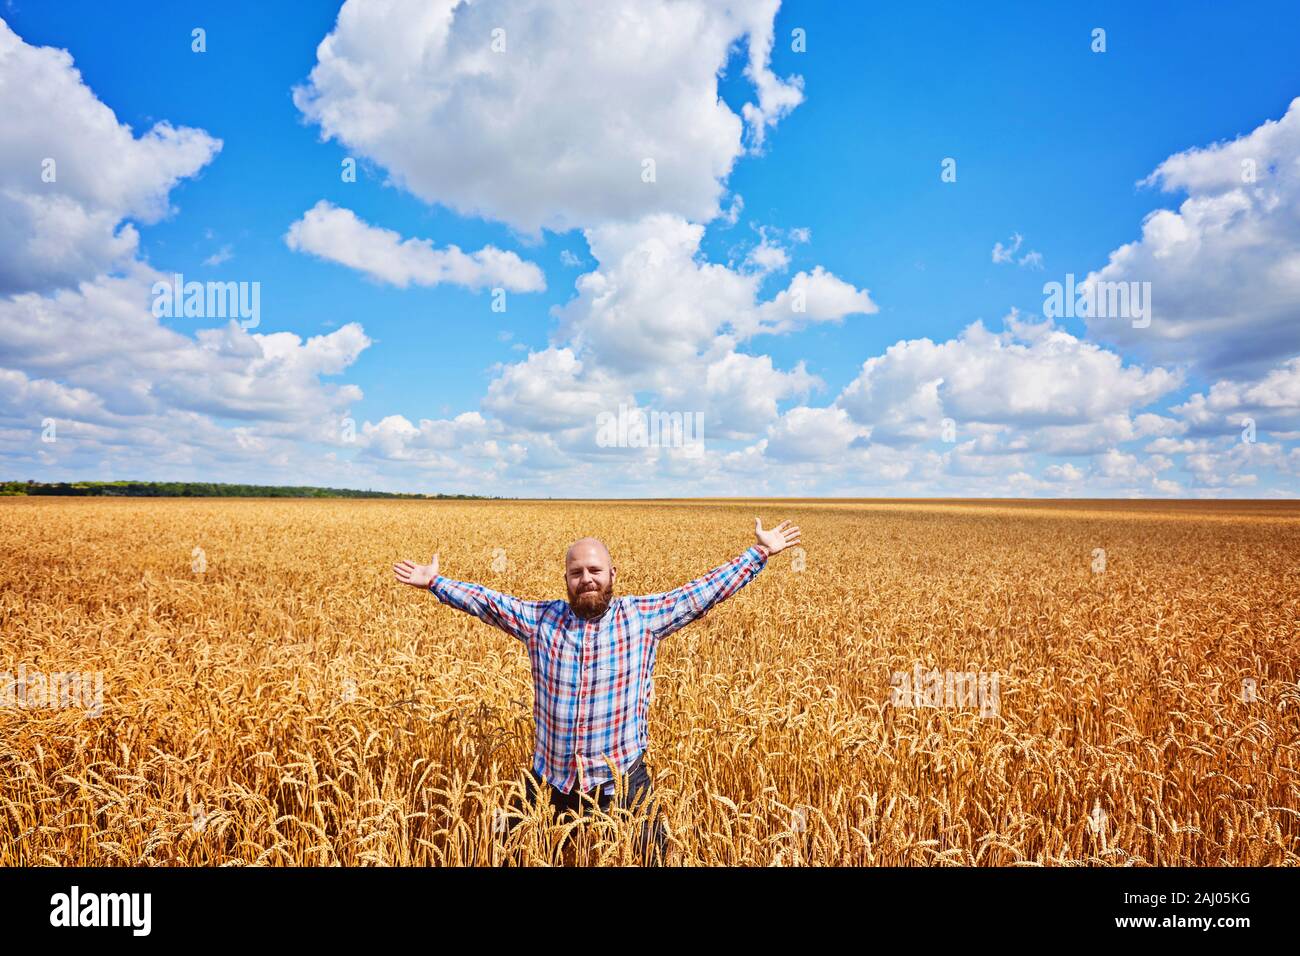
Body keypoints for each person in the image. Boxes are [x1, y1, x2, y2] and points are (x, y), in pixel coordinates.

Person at [393, 517, 802, 865]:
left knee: (652, 858)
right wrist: (436, 583)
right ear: (567, 580)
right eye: (577, 573)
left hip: (622, 779)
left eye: (595, 571)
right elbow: (488, 602)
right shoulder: (540, 620)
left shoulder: (643, 618)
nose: (586, 579)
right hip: (549, 779)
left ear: (612, 574)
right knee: (512, 851)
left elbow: (701, 593)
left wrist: (758, 554)